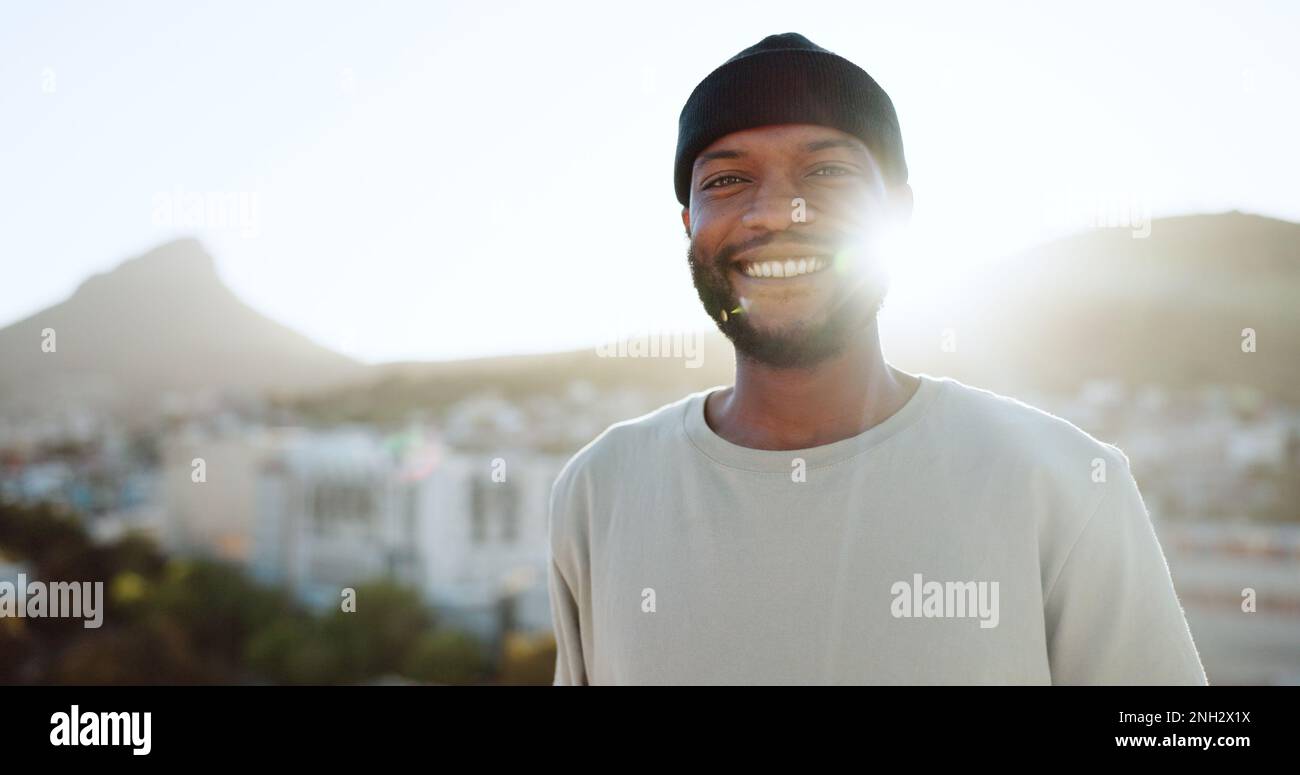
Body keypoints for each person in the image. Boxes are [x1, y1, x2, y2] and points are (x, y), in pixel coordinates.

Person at [547, 32, 1207, 685]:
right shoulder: (599, 490)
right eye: (726, 178)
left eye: (827, 171)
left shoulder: (1065, 482)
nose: (776, 210)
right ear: (690, 225)